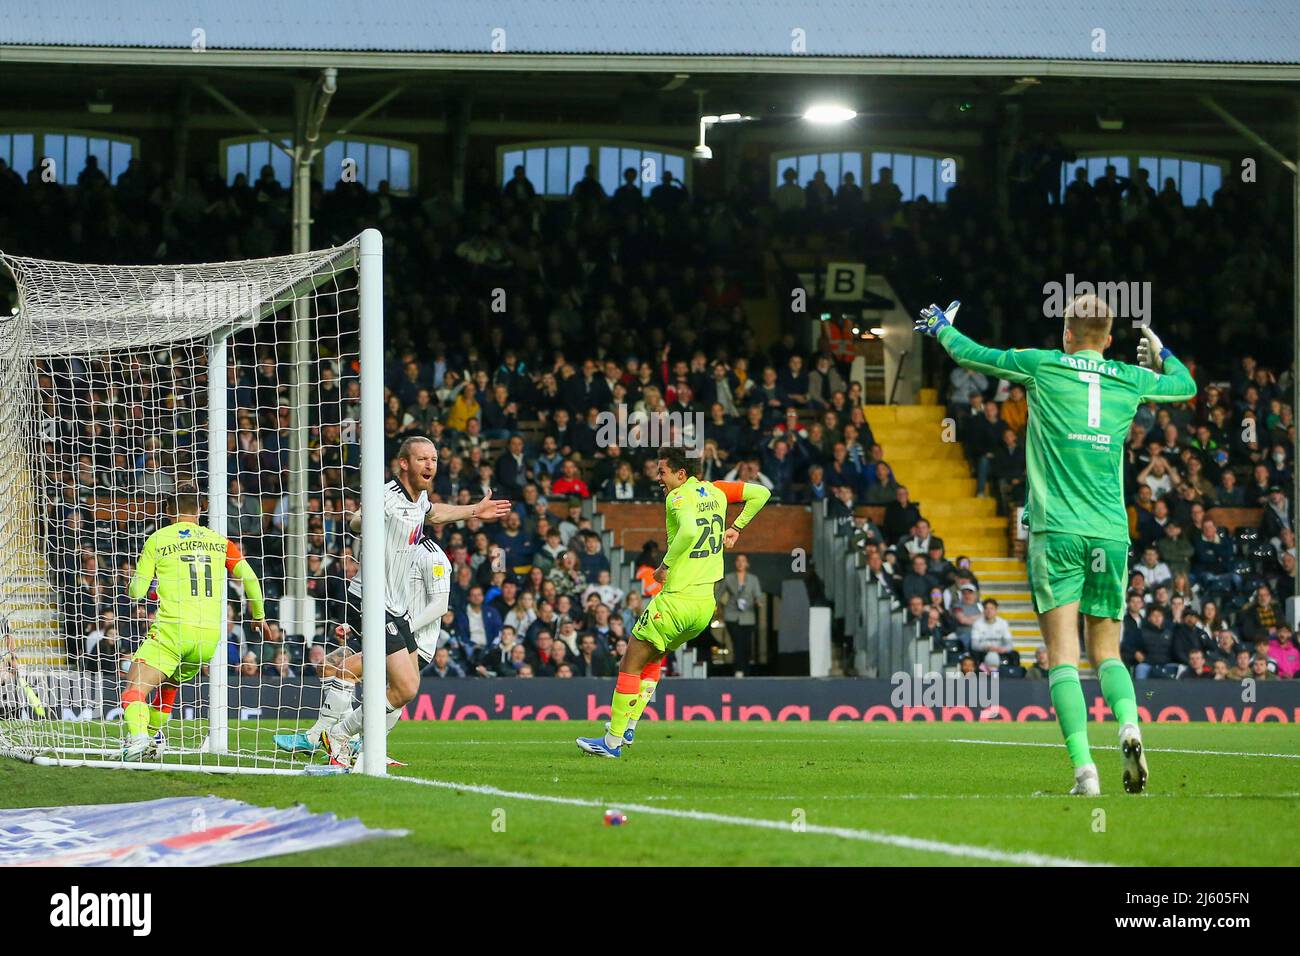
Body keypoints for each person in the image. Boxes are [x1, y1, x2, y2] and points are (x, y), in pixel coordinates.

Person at [916, 293, 1195, 795]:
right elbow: (1185, 387)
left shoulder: (1042, 365)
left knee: (1062, 654)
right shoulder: (1129, 378)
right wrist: (1163, 352)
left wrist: (940, 326)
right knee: (1107, 651)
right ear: (1110, 339)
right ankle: (1130, 726)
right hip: (1110, 532)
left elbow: (970, 354)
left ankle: (1085, 770)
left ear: (1066, 333)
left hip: (1057, 531)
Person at [576, 447, 771, 756]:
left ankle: (611, 742)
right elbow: (761, 493)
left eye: (663, 471)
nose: (658, 477)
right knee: (653, 658)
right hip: (705, 606)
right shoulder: (718, 490)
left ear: (682, 474)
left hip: (676, 601)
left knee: (630, 661)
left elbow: (691, 530)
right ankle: (629, 724)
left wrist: (664, 565)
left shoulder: (677, 497)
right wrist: (735, 528)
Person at [119, 485, 272, 760]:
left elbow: (136, 592)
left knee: (134, 689)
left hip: (172, 631)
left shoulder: (158, 539)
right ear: (201, 510)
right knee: (168, 687)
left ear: (167, 511)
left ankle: (139, 737)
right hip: (207, 639)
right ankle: (154, 737)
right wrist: (258, 615)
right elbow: (250, 578)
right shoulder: (220, 542)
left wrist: (142, 583)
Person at [717, 553, 762, 676]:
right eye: (738, 560)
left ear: (747, 564)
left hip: (748, 616)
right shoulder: (729, 578)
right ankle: (738, 669)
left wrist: (758, 601)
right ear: (735, 563)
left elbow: (758, 595)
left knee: (746, 644)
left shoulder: (753, 579)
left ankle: (745, 670)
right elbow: (718, 595)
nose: (741, 563)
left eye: (743, 561)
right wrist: (718, 608)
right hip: (732, 614)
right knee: (737, 642)